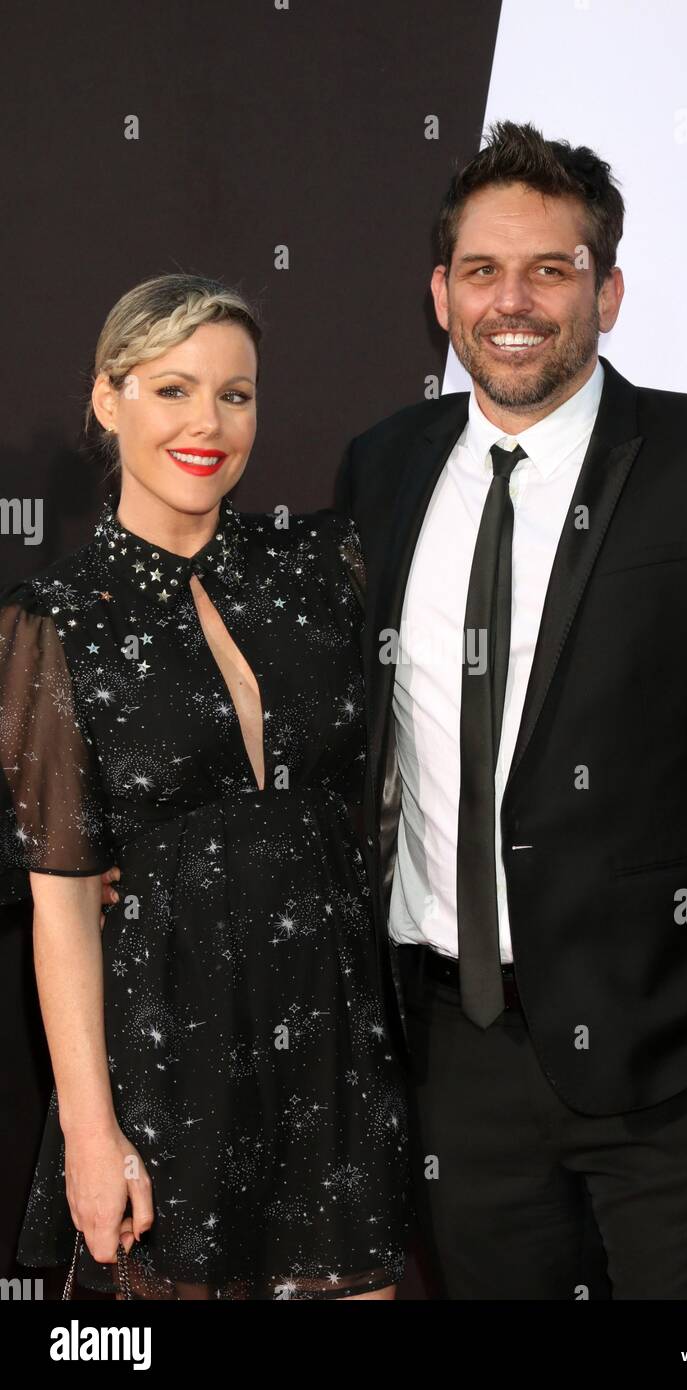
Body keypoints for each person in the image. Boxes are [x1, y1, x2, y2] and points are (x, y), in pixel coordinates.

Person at [334, 120, 687, 1299]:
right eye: (481, 270)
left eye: (549, 269)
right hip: (452, 1057)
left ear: (606, 293)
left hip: (676, 1065)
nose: (511, 300)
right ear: (439, 294)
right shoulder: (384, 467)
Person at [0, 273, 409, 1300]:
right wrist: (91, 1133)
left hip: (334, 1048)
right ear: (109, 399)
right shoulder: (56, 620)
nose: (209, 423)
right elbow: (61, 908)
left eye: (236, 394)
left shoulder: (323, 562)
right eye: (173, 389)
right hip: (167, 1060)